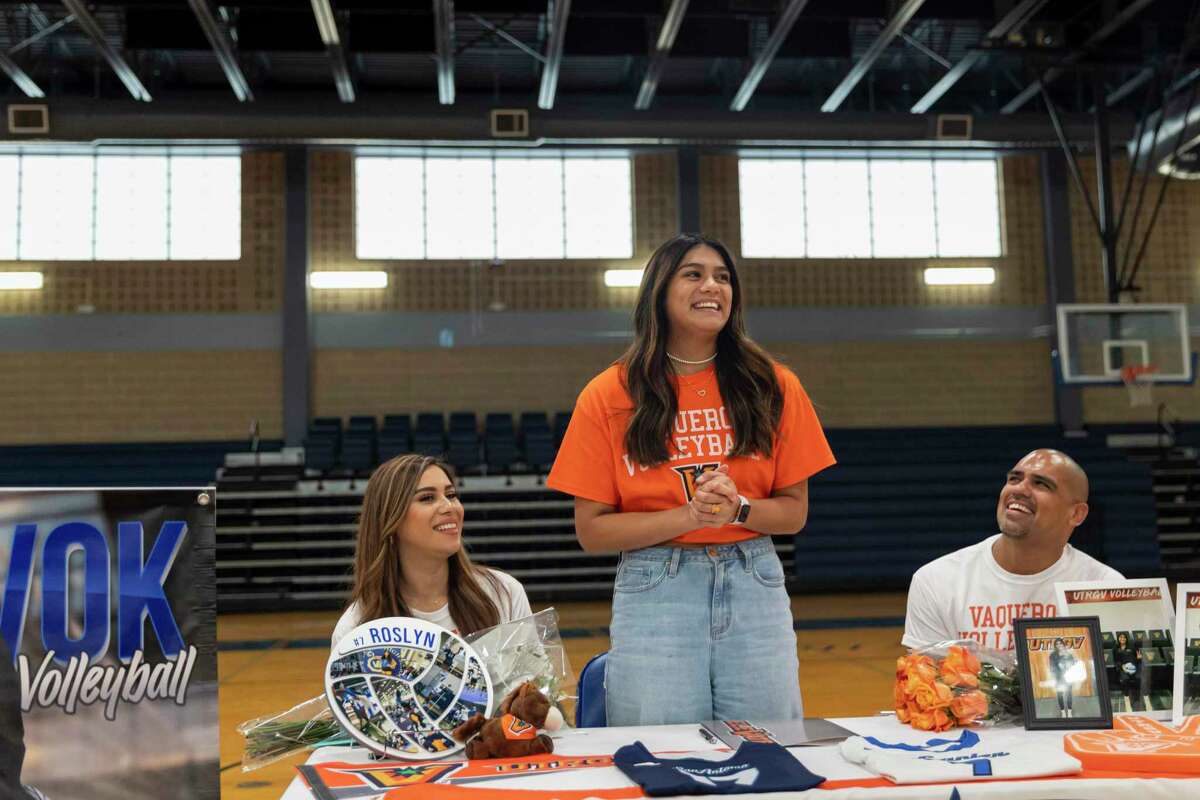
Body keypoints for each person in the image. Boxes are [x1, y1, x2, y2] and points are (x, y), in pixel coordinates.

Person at [547, 233, 836, 726]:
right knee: (661, 751)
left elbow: (794, 513)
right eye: (694, 275)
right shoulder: (609, 393)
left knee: (768, 744)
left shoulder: (773, 385)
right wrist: (690, 516)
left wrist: (738, 509)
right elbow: (592, 530)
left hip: (755, 583)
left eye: (723, 277)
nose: (712, 286)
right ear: (659, 290)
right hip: (656, 585)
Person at [903, 449, 1123, 652]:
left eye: (1041, 484)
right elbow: (927, 679)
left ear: (1076, 514)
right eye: (1014, 479)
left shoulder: (1106, 589)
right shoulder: (936, 581)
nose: (1019, 489)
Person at [332, 454, 532, 645]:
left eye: (451, 495)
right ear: (390, 520)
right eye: (427, 498)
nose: (449, 506)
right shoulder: (355, 631)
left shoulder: (504, 593)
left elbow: (533, 671)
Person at [1048, 638, 1080, 718]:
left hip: (1068, 677)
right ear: (1055, 646)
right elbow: (1052, 667)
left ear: (1063, 644)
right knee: (1059, 695)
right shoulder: (1052, 655)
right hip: (1058, 678)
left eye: (1060, 643)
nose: (1059, 645)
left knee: (1069, 694)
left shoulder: (1068, 654)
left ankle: (1069, 711)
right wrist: (1056, 673)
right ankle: (1062, 712)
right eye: (1057, 644)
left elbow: (1072, 665)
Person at [1113, 632, 1142, 712]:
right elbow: (1116, 661)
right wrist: (1122, 667)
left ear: (1126, 638)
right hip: (1123, 668)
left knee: (1139, 678)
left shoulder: (1132, 647)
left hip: (1134, 668)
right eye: (1121, 637)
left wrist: (1139, 658)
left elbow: (1138, 658)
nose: (1122, 639)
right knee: (1125, 680)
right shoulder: (1115, 649)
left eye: (1124, 637)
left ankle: (1142, 700)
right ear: (1118, 639)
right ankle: (1126, 699)